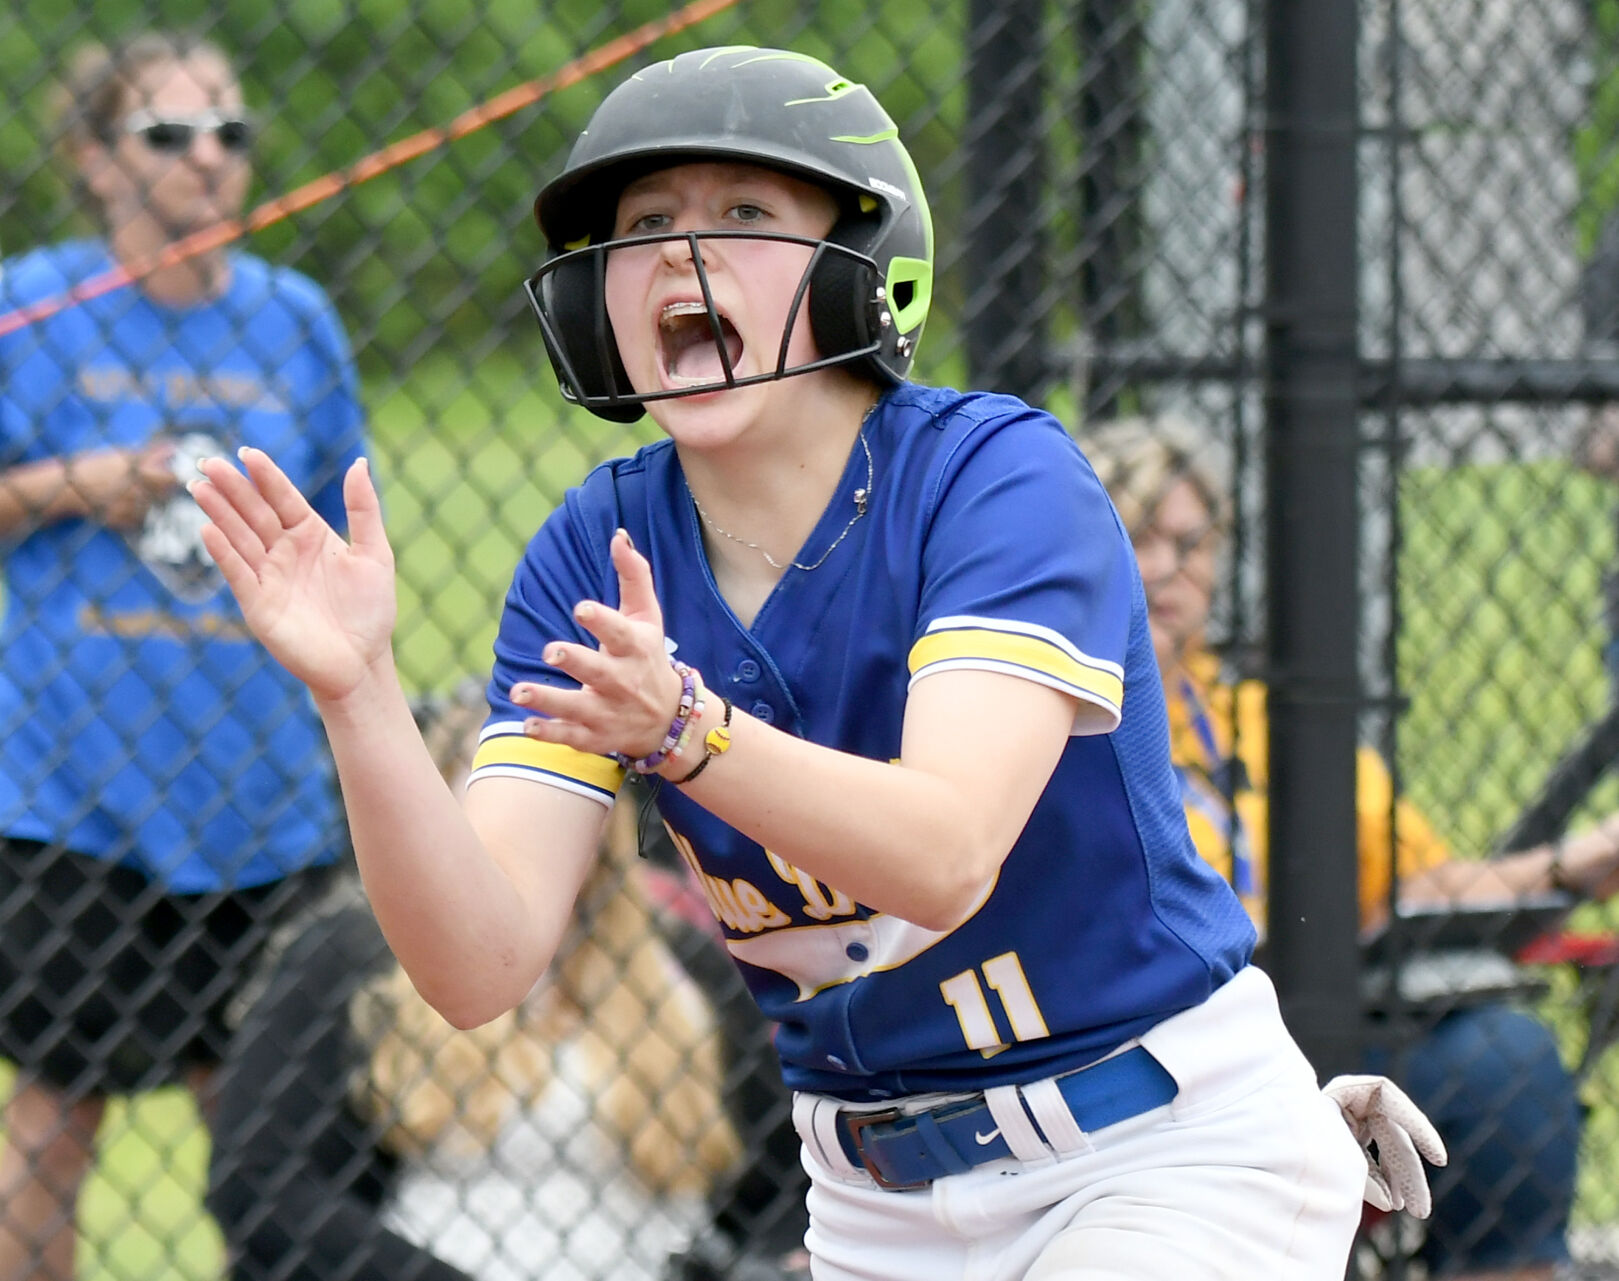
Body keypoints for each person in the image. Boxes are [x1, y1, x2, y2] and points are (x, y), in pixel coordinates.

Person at [191, 46, 1434, 1280]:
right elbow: (477, 966)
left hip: (1153, 1153)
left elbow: (942, 858)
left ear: (861, 273)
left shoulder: (992, 481)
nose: (682, 253)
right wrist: (357, 695)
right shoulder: (595, 547)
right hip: (870, 1204)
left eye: (743, 213)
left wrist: (686, 731)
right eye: (644, 223)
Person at [1083, 412, 1619, 1280]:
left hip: (1314, 1034)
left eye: (1190, 542)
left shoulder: (1262, 718)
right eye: (1140, 537)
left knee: (1502, 1060)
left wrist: (1576, 861)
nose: (1167, 568)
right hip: (1134, 1057)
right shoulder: (1047, 715)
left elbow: (1419, 887)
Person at [0, 33, 366, 1281]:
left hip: (261, 803)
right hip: (72, 801)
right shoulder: (32, 308)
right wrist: (70, 483)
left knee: (264, 1132)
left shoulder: (295, 322)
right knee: (54, 1113)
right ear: (97, 164)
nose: (209, 157)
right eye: (168, 134)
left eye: (229, 132)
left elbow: (338, 527)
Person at [206, 688, 743, 1281]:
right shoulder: (353, 955)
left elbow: (780, 1182)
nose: (530, 816)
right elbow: (259, 1183)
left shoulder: (680, 962)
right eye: (496, 787)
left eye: (558, 785)